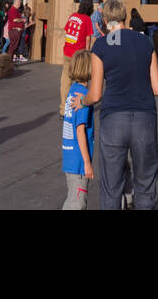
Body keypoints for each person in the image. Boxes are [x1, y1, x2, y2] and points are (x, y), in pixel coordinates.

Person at [71, 0, 158, 210]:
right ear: (124, 17)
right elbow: (157, 89)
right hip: (145, 118)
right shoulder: (145, 42)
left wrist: (81, 101)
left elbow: (95, 94)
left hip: (114, 120)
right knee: (145, 185)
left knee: (112, 187)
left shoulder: (101, 45)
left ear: (104, 19)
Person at [60, 49, 95, 209]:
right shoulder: (83, 95)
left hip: (69, 154)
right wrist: (87, 162)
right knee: (77, 202)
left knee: (73, 197)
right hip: (79, 159)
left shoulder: (73, 89)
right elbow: (80, 130)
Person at [60, 0, 96, 109]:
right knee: (81, 80)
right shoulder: (86, 19)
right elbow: (88, 38)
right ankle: (77, 105)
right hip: (79, 55)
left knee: (65, 81)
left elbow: (67, 31)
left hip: (67, 51)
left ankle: (63, 109)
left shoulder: (72, 16)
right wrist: (87, 52)